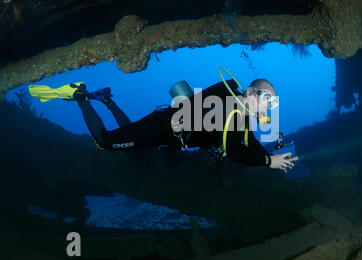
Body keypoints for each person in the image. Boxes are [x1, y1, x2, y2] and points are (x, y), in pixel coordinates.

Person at [32, 79, 296, 172]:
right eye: (267, 98)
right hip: (163, 128)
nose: (269, 106)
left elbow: (246, 141)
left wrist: (267, 155)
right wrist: (268, 162)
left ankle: (106, 99)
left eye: (274, 103)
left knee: (129, 136)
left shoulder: (240, 111)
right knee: (106, 142)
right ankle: (80, 96)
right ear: (250, 92)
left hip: (166, 131)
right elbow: (238, 152)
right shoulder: (235, 110)